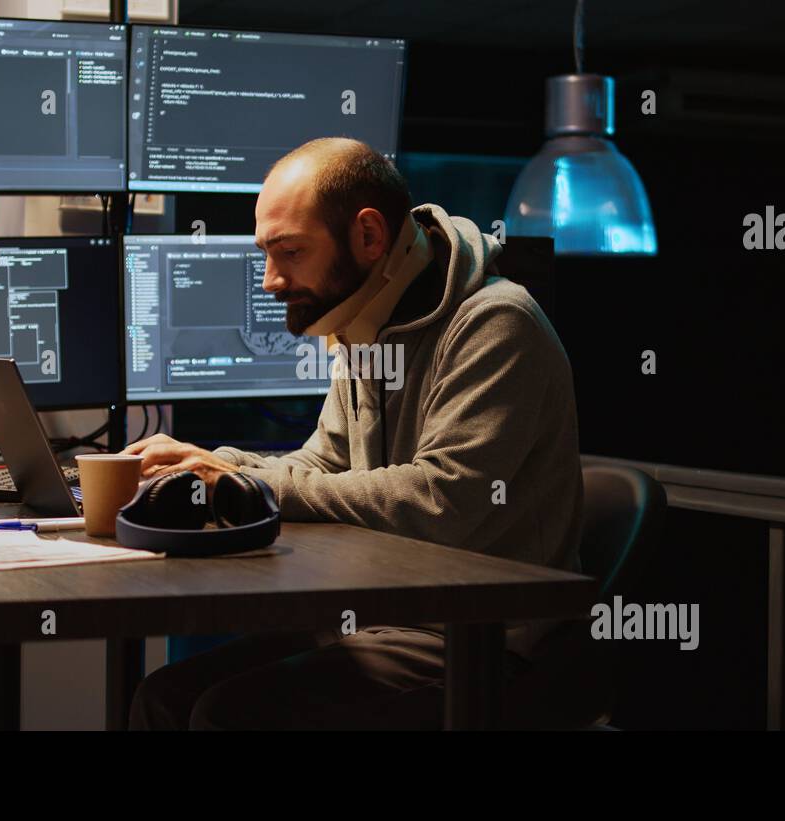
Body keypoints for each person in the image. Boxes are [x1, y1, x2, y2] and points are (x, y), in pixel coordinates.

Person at [122, 137, 584, 730]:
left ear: (368, 237)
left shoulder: (496, 325)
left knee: (226, 715)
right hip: (386, 614)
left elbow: (441, 499)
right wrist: (212, 462)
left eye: (289, 252)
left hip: (481, 637)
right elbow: (323, 463)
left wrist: (237, 480)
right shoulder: (368, 325)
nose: (270, 281)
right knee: (164, 697)